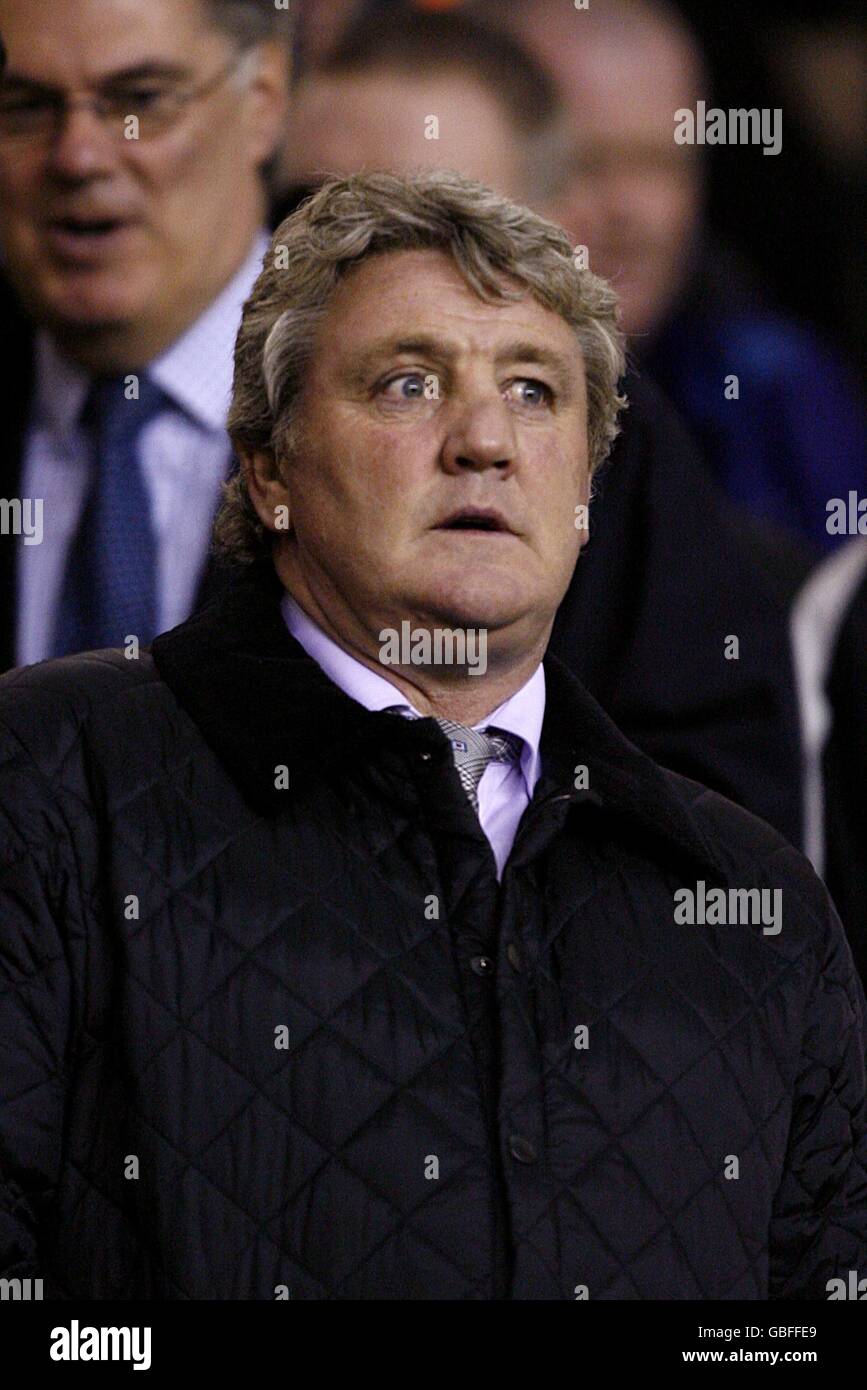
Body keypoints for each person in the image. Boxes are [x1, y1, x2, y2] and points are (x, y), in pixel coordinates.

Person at [0, 171, 864, 1300]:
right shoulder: (49, 773)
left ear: (588, 491)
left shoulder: (752, 901)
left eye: (535, 391)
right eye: (409, 384)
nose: (485, 442)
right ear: (268, 469)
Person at [274, 6, 808, 848]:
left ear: (553, 237)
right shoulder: (201, 412)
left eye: (443, 227)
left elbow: (721, 880)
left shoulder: (643, 479)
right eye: (310, 211)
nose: (360, 269)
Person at [478, 0, 867, 553]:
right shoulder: (447, 408)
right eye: (586, 164)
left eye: (662, 164)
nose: (630, 210)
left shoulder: (776, 396)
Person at [0, 0, 291, 670]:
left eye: (140, 100)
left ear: (263, 102)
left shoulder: (403, 401)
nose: (77, 157)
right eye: (24, 106)